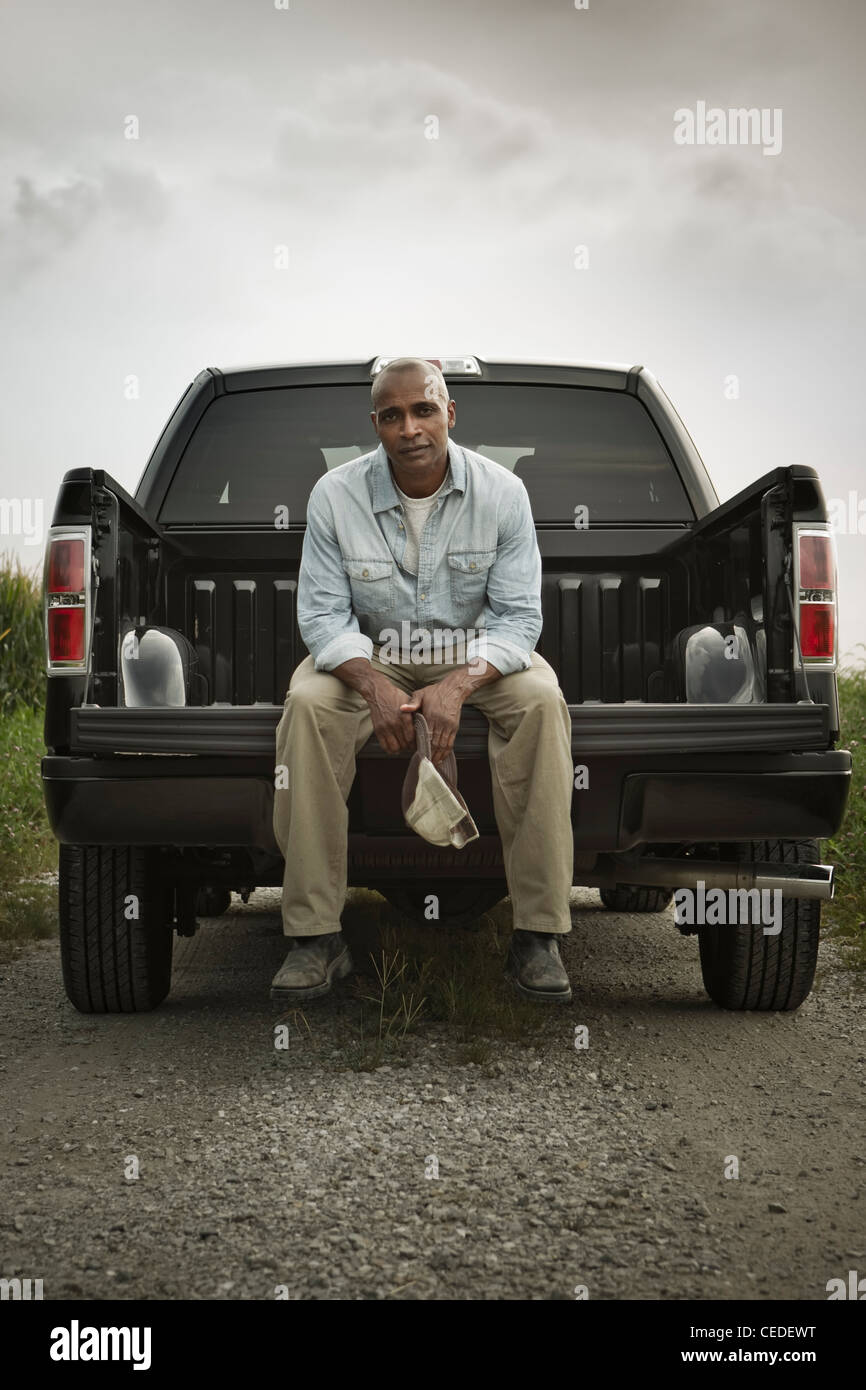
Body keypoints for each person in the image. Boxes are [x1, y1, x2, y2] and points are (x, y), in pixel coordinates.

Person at [271, 357, 575, 1004]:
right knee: (307, 705)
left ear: (450, 414)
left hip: (472, 654)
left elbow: (519, 617)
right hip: (372, 655)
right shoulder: (335, 494)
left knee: (542, 701)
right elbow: (323, 615)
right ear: (375, 424)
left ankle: (538, 936)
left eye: (423, 410)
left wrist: (457, 687)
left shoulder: (502, 494)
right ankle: (315, 937)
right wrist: (375, 688)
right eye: (392, 415)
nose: (410, 428)